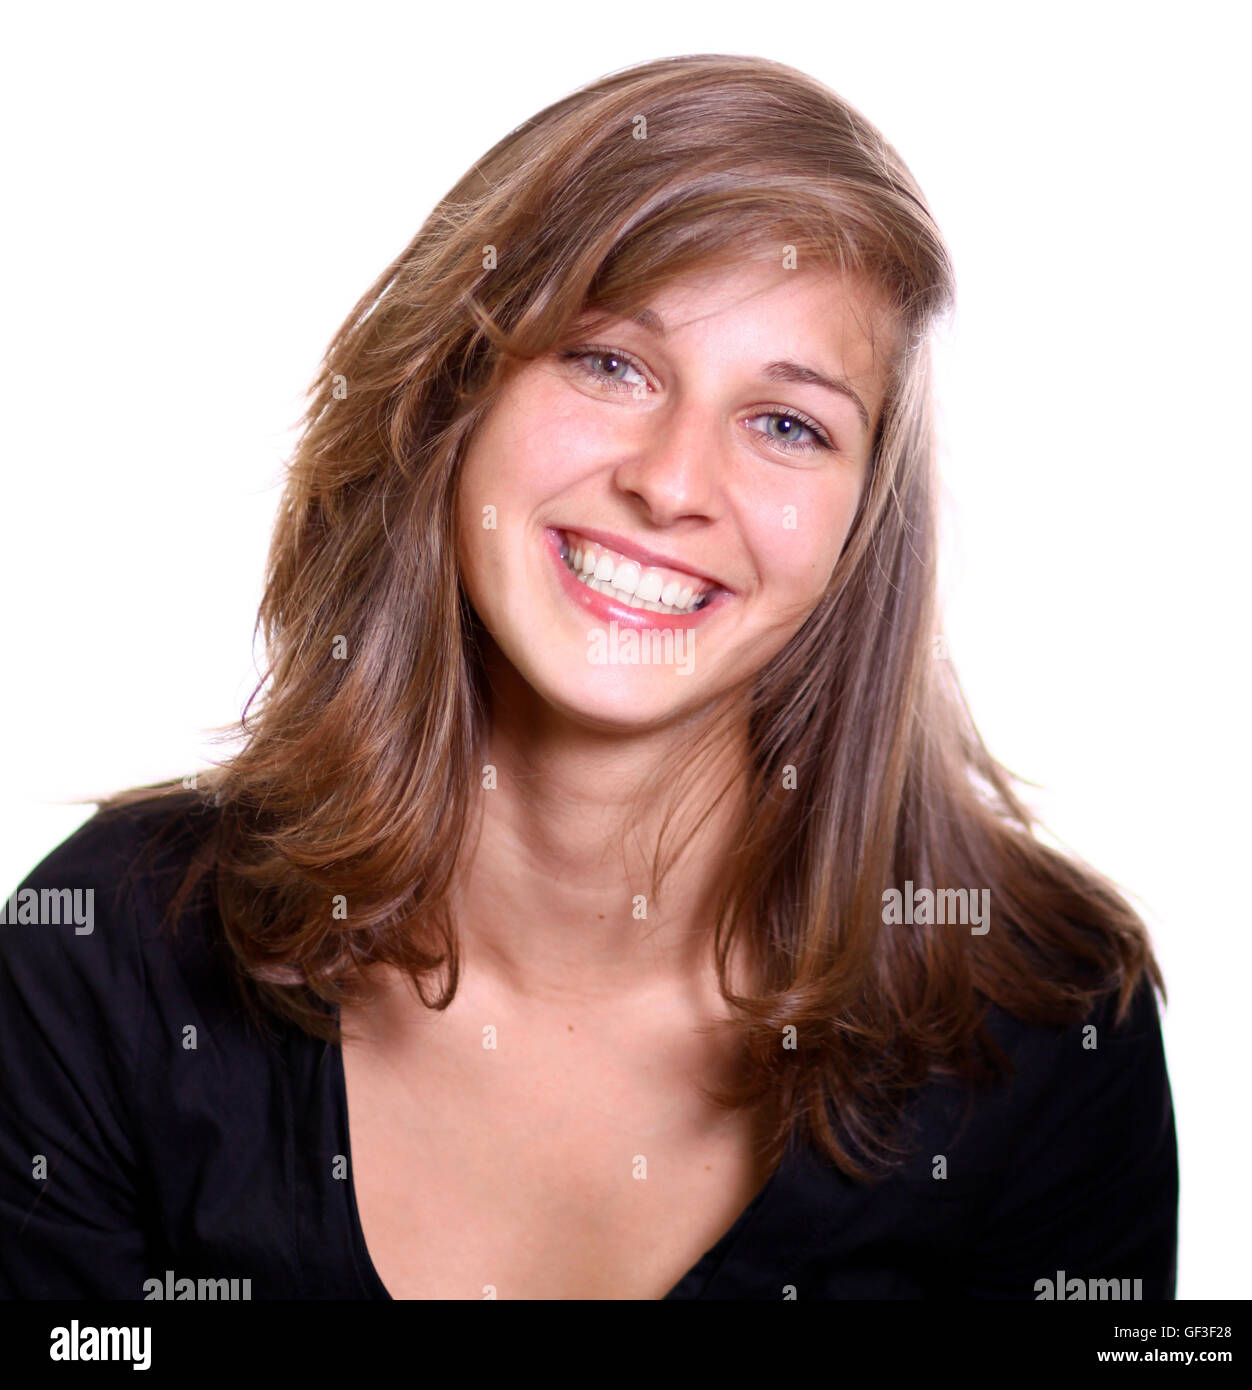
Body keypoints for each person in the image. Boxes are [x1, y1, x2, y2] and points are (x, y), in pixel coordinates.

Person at [0, 53, 1177, 1301]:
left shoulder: (1043, 1019)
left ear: (857, 530)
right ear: (454, 395)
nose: (671, 484)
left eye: (787, 423)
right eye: (610, 363)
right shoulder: (105, 960)